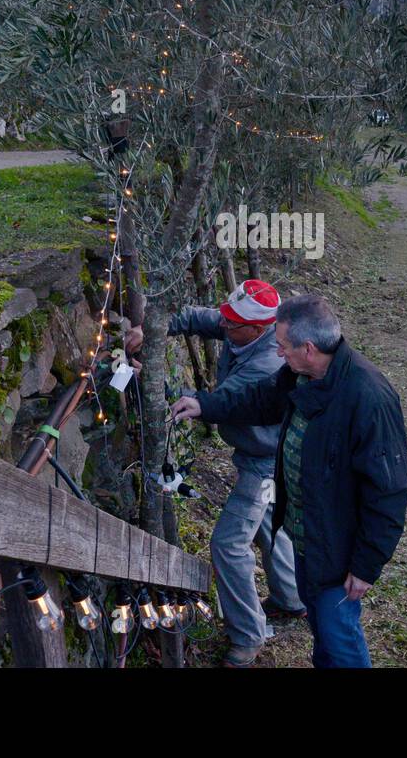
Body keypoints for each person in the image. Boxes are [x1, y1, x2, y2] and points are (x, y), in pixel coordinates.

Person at [171, 294, 407, 668]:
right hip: (306, 535)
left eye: (282, 346)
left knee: (340, 636)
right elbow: (264, 399)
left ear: (309, 348)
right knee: (322, 629)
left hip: (337, 549)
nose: (278, 353)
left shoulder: (368, 399)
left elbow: (389, 492)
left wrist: (366, 566)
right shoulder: (304, 374)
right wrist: (206, 405)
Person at [126, 279, 305, 667]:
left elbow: (216, 403)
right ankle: (291, 598)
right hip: (260, 452)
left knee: (228, 543)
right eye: (224, 316)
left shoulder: (266, 365)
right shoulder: (239, 325)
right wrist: (151, 329)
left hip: (267, 462)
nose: (222, 325)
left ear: (259, 329)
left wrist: (153, 379)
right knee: (270, 522)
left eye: (232, 322)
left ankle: (248, 636)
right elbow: (195, 317)